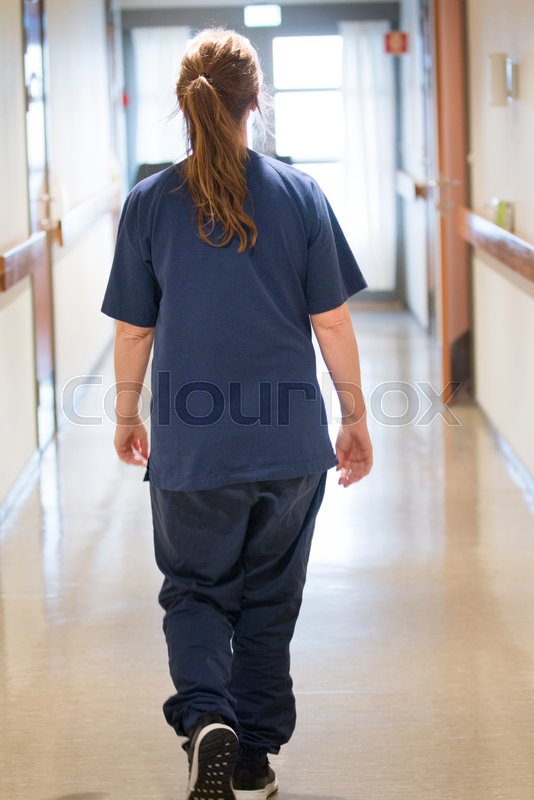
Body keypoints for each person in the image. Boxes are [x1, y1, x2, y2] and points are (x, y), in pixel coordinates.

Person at [101, 28, 373, 800]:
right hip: (289, 449)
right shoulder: (301, 193)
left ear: (186, 106)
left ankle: (207, 718)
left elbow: (133, 328)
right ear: (257, 102)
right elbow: (333, 322)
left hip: (193, 452)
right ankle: (252, 754)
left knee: (194, 590)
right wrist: (353, 416)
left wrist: (126, 412)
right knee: (270, 596)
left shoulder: (149, 203)